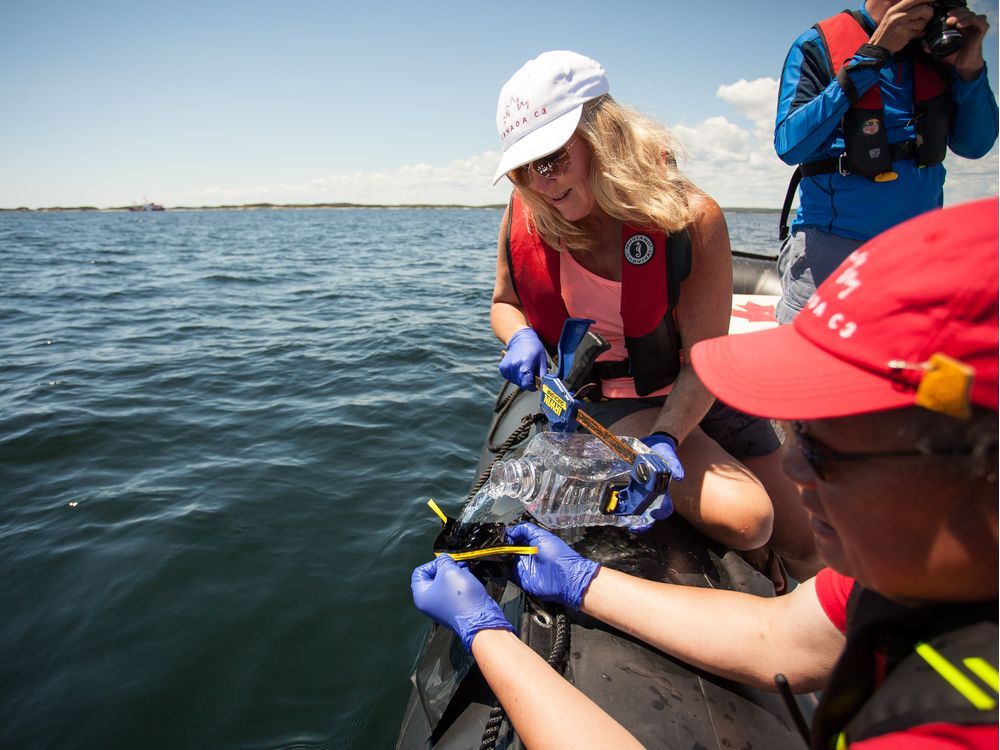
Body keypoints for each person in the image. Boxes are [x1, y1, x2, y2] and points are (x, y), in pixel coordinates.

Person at [413, 197, 999, 749]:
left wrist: (488, 636)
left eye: (824, 447)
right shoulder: (907, 577)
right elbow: (780, 639)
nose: (791, 466)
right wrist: (580, 581)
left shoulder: (948, 724)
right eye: (798, 431)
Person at [490, 50, 817, 574]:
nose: (540, 182)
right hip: (614, 400)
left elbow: (705, 362)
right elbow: (505, 304)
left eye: (551, 159)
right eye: (523, 169)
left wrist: (666, 441)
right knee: (749, 519)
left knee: (807, 542)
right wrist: (519, 337)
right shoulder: (525, 214)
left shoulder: (694, 219)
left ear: (602, 133)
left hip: (695, 388)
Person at [773, 0, 997, 324]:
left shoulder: (937, 52)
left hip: (919, 256)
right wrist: (871, 57)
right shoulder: (816, 43)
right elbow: (790, 145)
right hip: (830, 255)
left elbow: (975, 145)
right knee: (806, 356)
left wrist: (969, 70)